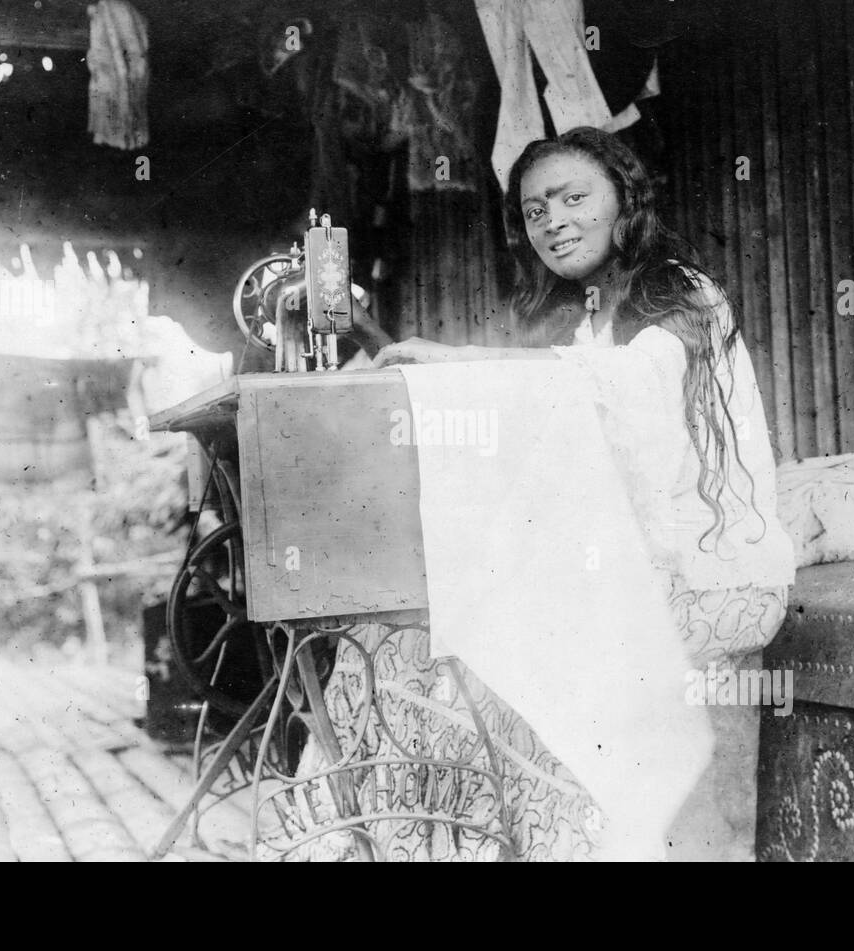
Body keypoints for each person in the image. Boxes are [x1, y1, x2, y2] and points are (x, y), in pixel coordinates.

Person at [275, 127, 794, 862]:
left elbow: (630, 394)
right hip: (640, 571)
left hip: (714, 579)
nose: (553, 220)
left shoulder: (682, 293)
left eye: (574, 197)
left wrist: (459, 363)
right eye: (534, 210)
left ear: (626, 203)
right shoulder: (583, 317)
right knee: (400, 643)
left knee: (468, 657)